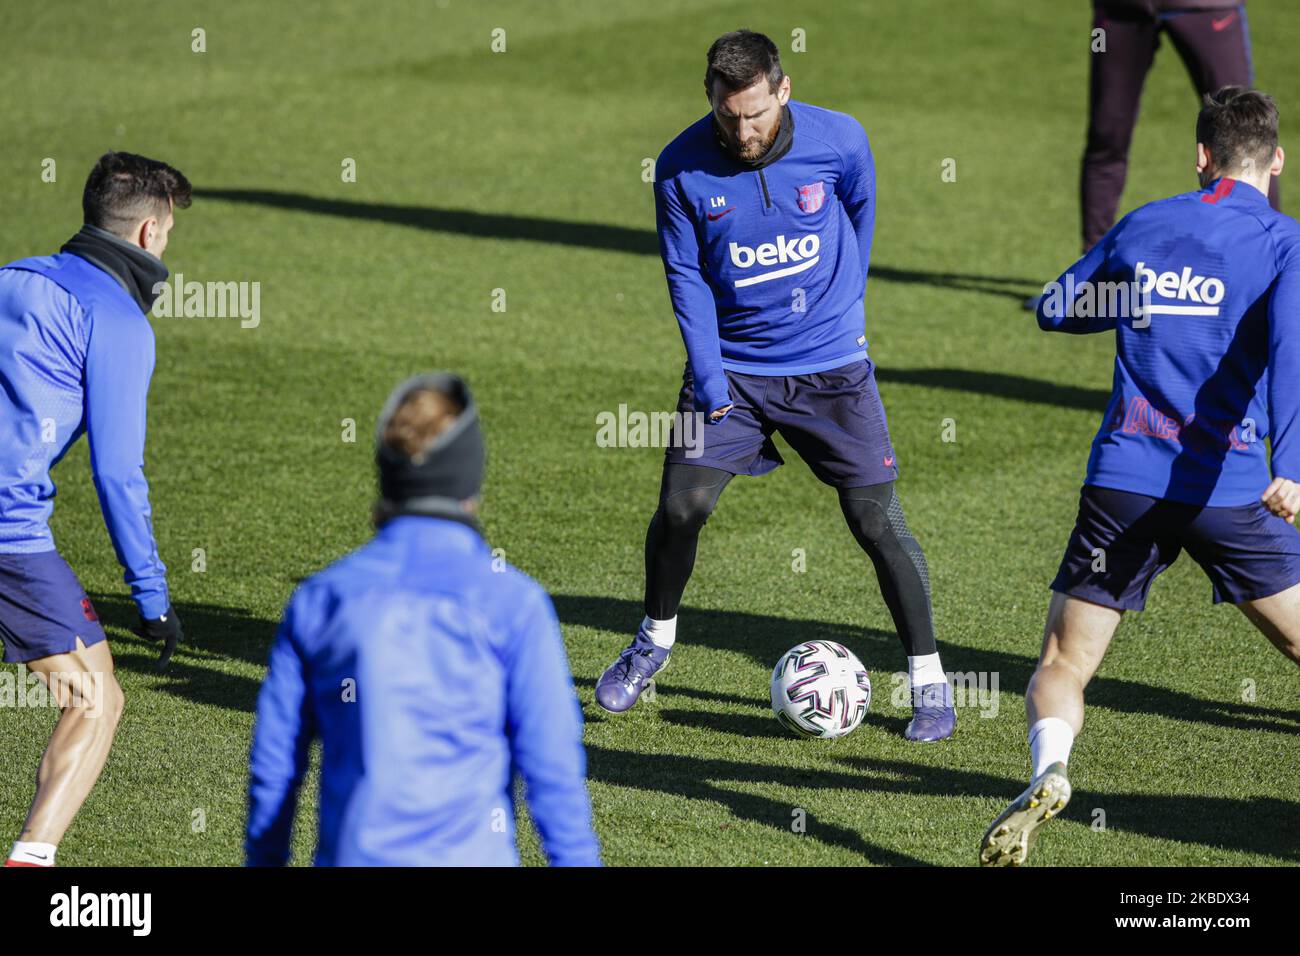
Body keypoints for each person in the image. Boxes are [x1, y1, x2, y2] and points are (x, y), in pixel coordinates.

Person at [594, 29, 955, 742]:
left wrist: (841, 312)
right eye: (729, 116)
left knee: (877, 521)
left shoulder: (842, 140)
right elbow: (687, 276)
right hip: (732, 372)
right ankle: (654, 642)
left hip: (832, 370)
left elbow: (861, 215)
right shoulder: (677, 169)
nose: (744, 130)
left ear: (782, 90)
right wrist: (708, 378)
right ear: (710, 99)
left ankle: (930, 682)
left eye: (756, 113)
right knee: (680, 508)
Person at [983, 87, 1300, 867]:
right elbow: (1292, 353)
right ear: (1278, 161)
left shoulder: (1149, 221)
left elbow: (1056, 307)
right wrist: (1291, 467)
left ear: (1202, 157)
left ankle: (1050, 768)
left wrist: (1142, 295)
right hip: (1226, 493)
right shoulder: (1286, 243)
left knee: (1061, 665)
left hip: (1122, 488)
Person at [246, 373, 600, 866]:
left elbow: (276, 768)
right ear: (470, 478)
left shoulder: (322, 599)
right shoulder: (514, 603)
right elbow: (552, 771)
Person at [0, 151, 190, 867]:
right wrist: (150, 594)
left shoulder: (11, 276)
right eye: (168, 234)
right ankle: (30, 864)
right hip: (8, 533)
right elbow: (117, 473)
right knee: (96, 699)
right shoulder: (117, 320)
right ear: (147, 235)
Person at [1082, 1, 1277, 251]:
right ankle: (1091, 276)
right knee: (1106, 134)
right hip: (1121, 11)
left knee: (1249, 135)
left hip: (1208, 7)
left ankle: (1270, 264)